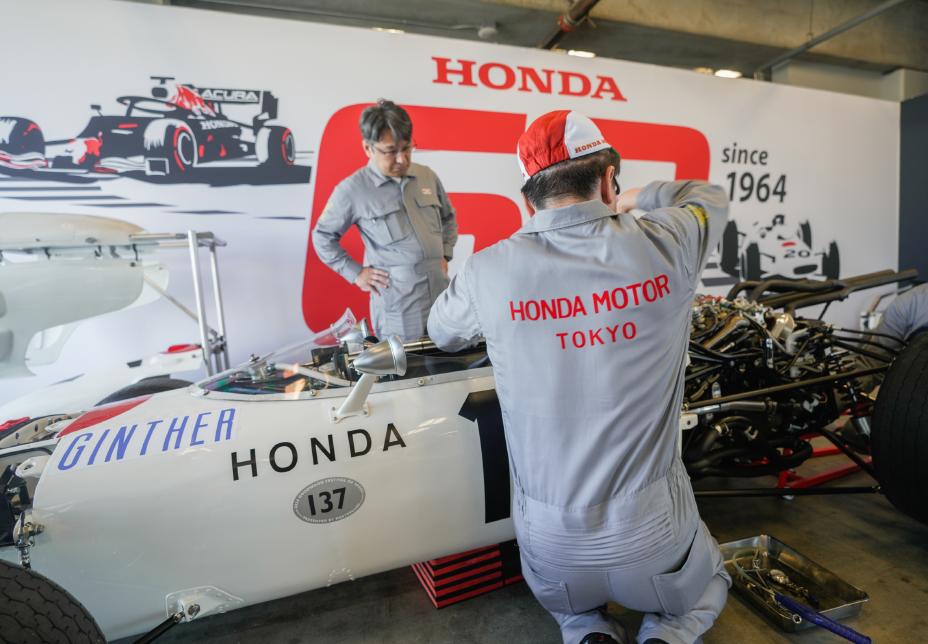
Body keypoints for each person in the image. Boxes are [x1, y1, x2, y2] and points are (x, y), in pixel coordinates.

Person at [428, 110, 731, 644]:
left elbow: (443, 333)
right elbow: (708, 197)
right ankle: (669, 633)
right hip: (656, 543)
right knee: (710, 580)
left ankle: (584, 627)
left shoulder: (488, 270)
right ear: (608, 178)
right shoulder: (668, 240)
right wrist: (639, 196)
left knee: (572, 605)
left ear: (528, 199)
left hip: (551, 555)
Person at [312, 99, 458, 341]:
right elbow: (323, 236)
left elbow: (448, 218)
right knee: (407, 373)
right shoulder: (352, 190)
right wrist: (356, 273)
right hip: (398, 306)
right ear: (368, 148)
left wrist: (445, 252)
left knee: (449, 365)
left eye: (407, 148)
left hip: (440, 294)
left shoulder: (426, 176)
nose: (401, 159)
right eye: (390, 151)